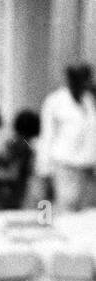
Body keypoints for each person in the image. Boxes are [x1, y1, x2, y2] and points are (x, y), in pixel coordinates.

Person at [37, 63, 96, 212]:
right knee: (66, 207)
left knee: (86, 213)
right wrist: (44, 168)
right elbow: (47, 135)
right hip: (64, 163)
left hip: (88, 165)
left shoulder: (89, 100)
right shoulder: (55, 101)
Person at [0, 109, 40, 211]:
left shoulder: (19, 144)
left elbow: (13, 173)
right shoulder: (32, 143)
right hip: (31, 189)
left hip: (15, 194)